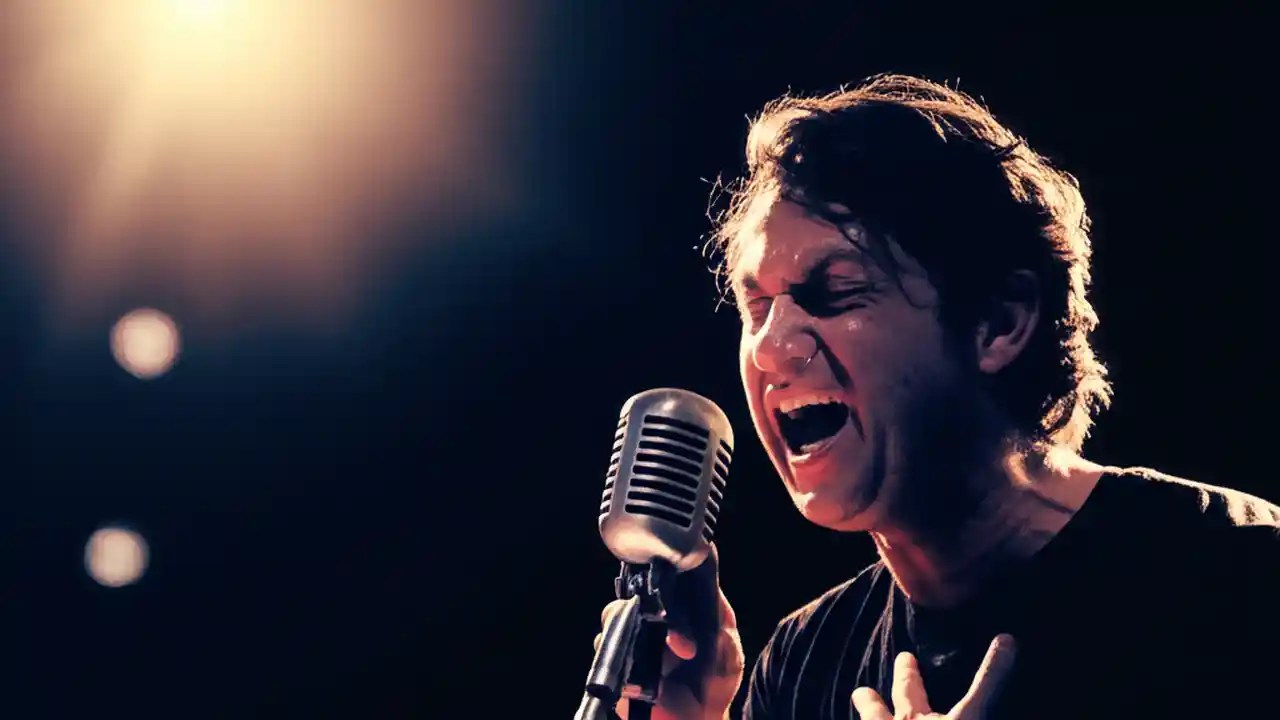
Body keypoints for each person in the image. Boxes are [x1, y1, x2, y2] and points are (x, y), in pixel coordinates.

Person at [595, 73, 1280, 719]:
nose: (772, 351)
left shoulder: (1233, 576)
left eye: (833, 293)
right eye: (756, 308)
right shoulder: (801, 665)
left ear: (999, 323)